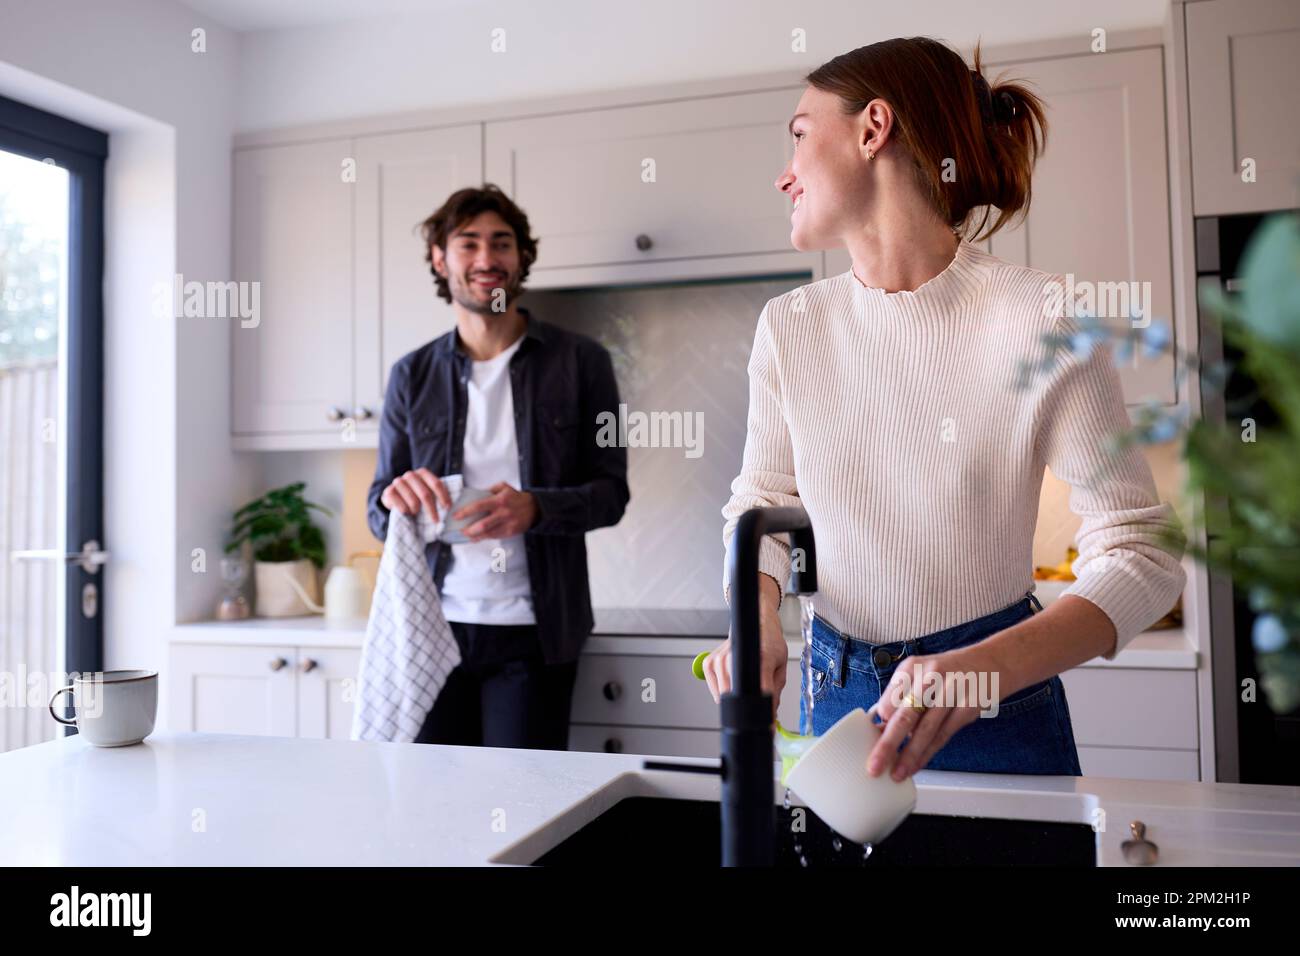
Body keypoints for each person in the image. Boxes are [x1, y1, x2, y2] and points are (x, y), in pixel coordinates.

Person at [701, 37, 1187, 780]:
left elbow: (1141, 552)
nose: (783, 175)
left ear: (873, 128)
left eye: (800, 135)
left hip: (996, 709)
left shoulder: (1043, 315)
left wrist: (978, 673)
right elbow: (764, 503)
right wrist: (756, 615)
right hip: (830, 699)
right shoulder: (790, 325)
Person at [367, 184, 629, 751]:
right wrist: (396, 500)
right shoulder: (410, 376)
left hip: (536, 636)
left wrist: (535, 507)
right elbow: (377, 511)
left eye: (501, 243)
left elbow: (611, 494)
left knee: (524, 808)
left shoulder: (582, 363)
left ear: (520, 257)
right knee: (430, 803)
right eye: (468, 244)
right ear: (441, 259)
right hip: (429, 626)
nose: (487, 259)